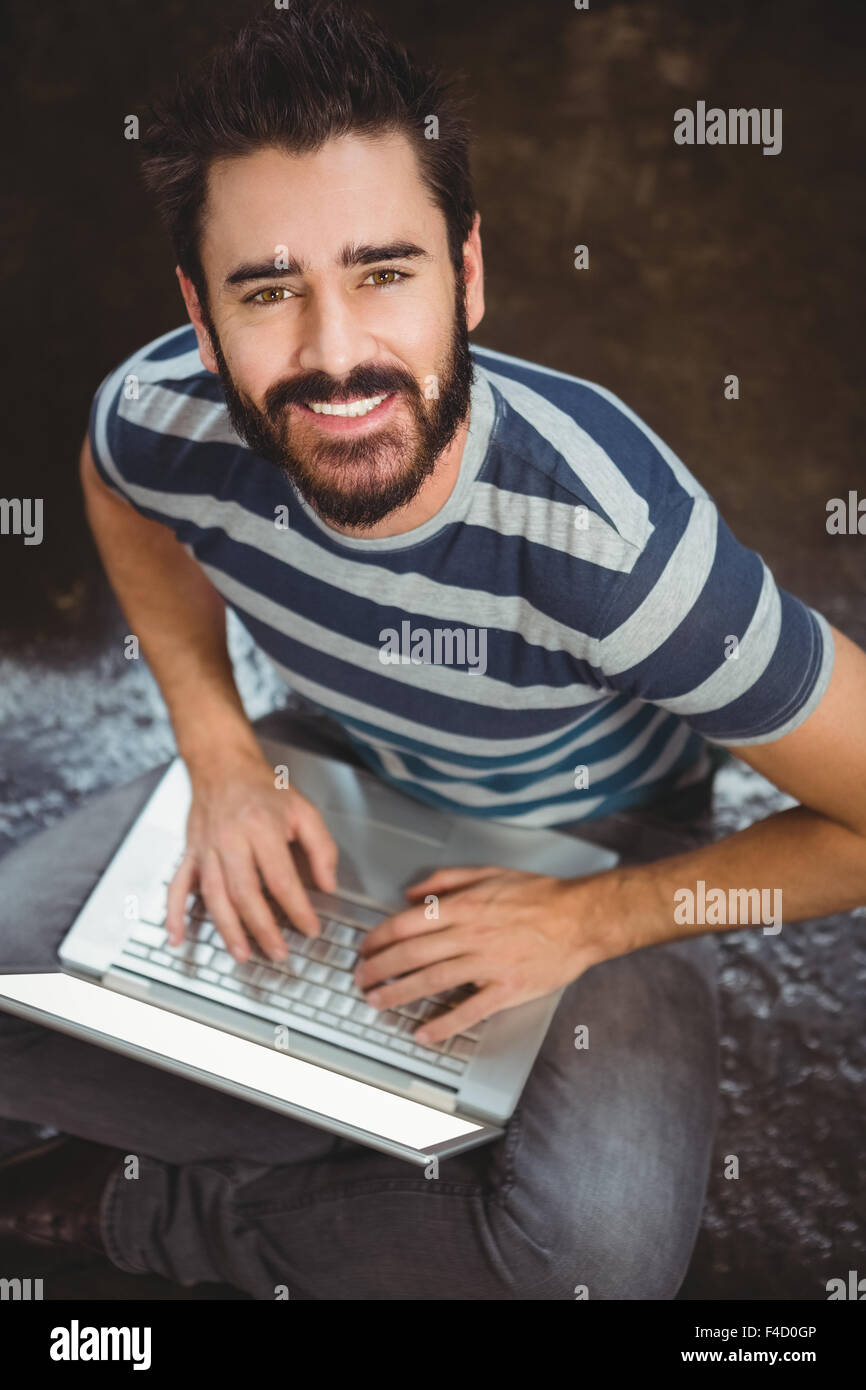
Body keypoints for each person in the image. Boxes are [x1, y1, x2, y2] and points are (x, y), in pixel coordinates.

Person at [1, 0, 864, 1301]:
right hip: (331, 768)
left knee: (595, 1264)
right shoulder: (159, 410)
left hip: (599, 845)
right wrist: (224, 752)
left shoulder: (615, 538)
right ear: (199, 307)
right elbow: (115, 487)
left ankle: (149, 1208)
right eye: (268, 290)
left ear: (465, 274)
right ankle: (341, 1143)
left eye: (382, 271)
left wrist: (587, 920)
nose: (335, 355)